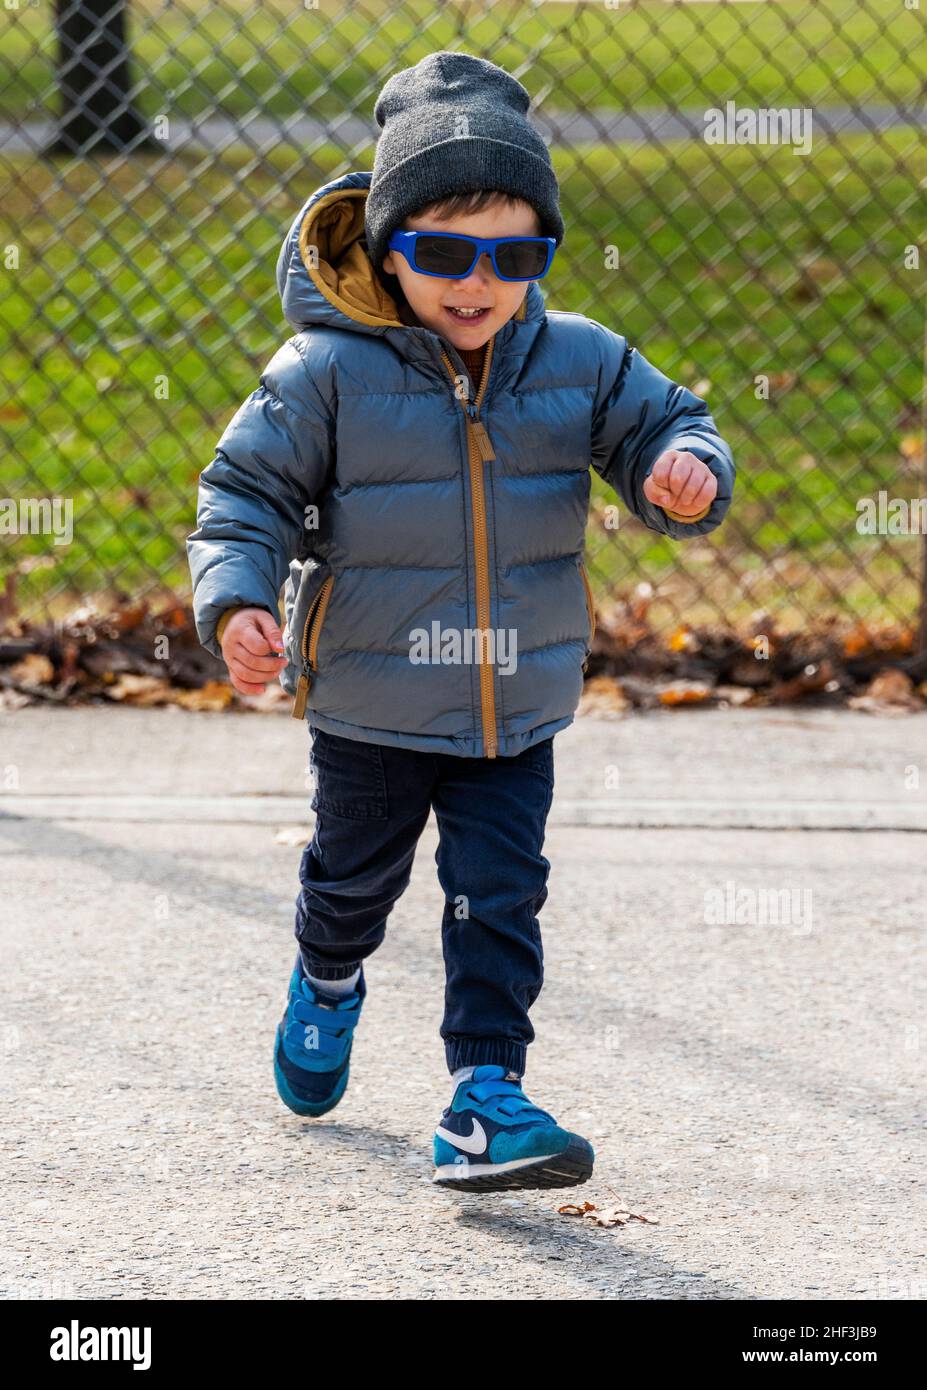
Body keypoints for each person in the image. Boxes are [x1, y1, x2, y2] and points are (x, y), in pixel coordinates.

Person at [187, 51, 735, 1193]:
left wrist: (681, 468)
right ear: (389, 248)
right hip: (371, 708)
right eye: (443, 252)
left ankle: (485, 1099)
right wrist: (238, 597)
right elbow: (246, 495)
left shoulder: (579, 358)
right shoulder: (326, 370)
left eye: (513, 255)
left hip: (514, 711)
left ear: (542, 258)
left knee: (500, 897)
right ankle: (327, 983)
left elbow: (665, 423)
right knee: (351, 887)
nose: (477, 283)